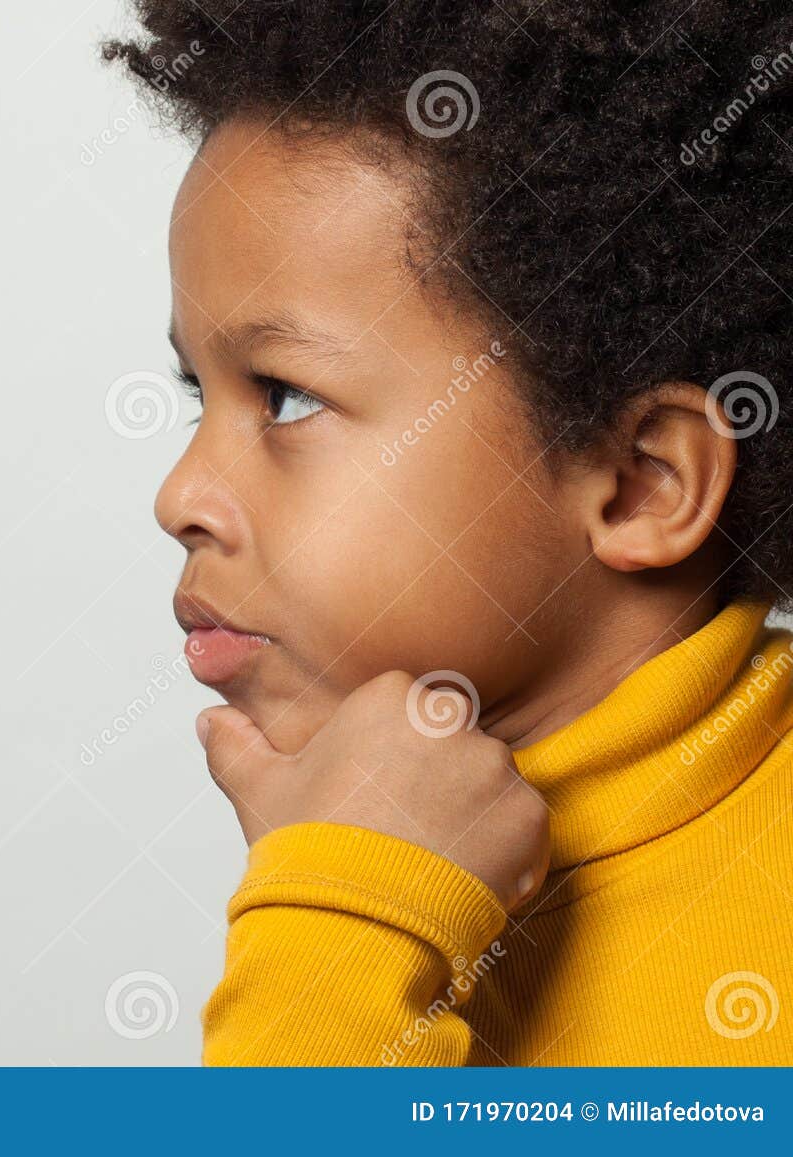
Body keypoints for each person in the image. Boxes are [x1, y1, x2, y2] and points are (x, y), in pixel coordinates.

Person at [105, 0, 793, 1064]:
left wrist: (340, 924)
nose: (180, 493)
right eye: (200, 392)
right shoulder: (371, 841)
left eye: (283, 397)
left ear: (640, 484)